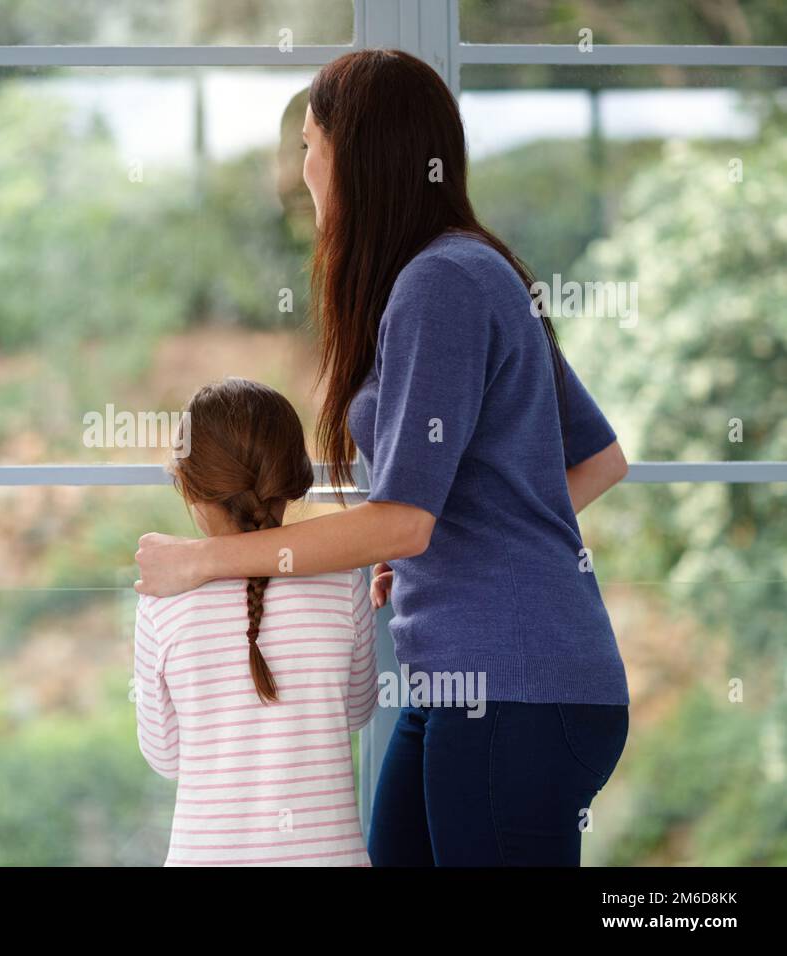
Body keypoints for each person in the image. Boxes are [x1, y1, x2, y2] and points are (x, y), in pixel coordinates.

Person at [134, 50, 631, 866]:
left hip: (515, 687)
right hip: (470, 683)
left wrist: (204, 561)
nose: (303, 167)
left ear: (351, 153)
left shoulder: (443, 284)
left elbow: (402, 519)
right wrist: (451, 548)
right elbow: (599, 460)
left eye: (309, 142)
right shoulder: (470, 269)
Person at [134, 378, 378, 866]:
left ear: (188, 486)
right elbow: (356, 712)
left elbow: (164, 756)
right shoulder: (344, 584)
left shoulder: (163, 601)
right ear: (292, 479)